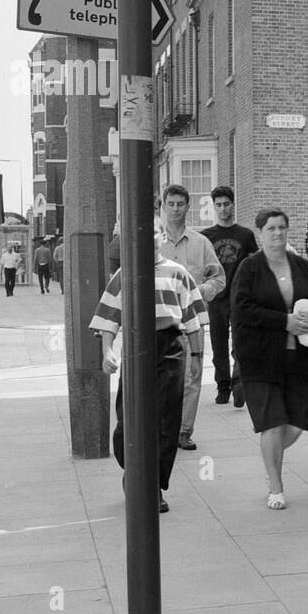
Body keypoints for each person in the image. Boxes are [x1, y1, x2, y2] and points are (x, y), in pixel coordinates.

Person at [89, 217, 207, 513]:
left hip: (170, 347)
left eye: (153, 232)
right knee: (128, 418)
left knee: (166, 421)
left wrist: (196, 358)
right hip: (135, 346)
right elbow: (108, 319)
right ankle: (134, 472)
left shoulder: (178, 273)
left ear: (162, 236)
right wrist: (107, 352)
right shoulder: (123, 275)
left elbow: (194, 321)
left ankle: (153, 486)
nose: (147, 238)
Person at [232, 208, 308, 509]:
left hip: (299, 359)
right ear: (260, 233)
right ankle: (275, 485)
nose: (277, 233)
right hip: (260, 359)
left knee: (298, 422)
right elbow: (241, 310)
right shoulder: (249, 268)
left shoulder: (301, 266)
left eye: (282, 228)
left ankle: (270, 455)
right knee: (272, 423)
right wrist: (283, 321)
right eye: (271, 228)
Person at [157, 184, 225, 451]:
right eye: (170, 204)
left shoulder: (201, 243)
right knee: (162, 376)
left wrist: (201, 293)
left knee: (191, 376)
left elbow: (219, 277)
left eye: (180, 204)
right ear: (163, 206)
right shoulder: (154, 242)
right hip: (160, 320)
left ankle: (184, 431)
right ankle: (163, 428)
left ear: (188, 207)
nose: (175, 209)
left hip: (191, 321)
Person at [201, 185, 258, 408]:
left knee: (240, 343)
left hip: (240, 297)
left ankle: (239, 385)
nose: (223, 209)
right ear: (214, 207)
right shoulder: (207, 236)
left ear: (233, 205)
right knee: (218, 345)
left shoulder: (245, 235)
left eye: (226, 204)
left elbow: (254, 265)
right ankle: (222, 387)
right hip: (216, 298)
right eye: (218, 205)